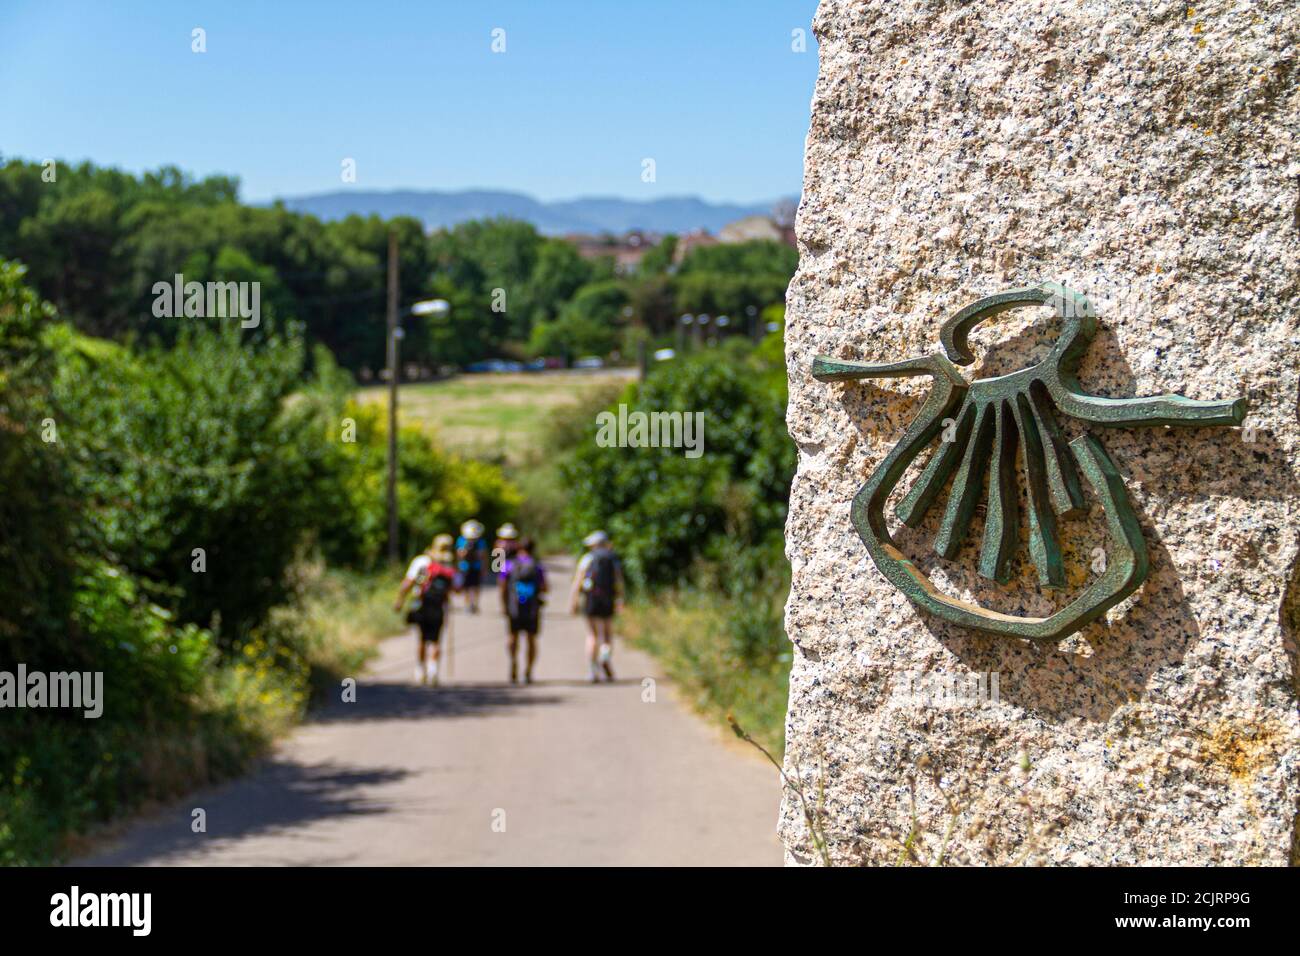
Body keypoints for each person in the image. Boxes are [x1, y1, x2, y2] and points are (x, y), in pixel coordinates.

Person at [394, 534, 458, 686]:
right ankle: (433, 670)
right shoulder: (448, 566)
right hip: (439, 606)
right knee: (435, 639)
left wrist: (400, 600)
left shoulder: (421, 562)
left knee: (422, 638)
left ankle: (420, 669)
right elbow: (456, 588)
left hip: (421, 604)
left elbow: (408, 583)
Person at [569, 530, 623, 683]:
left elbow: (577, 582)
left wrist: (573, 601)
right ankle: (604, 657)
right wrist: (620, 599)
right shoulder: (613, 559)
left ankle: (593, 670)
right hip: (608, 599)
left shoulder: (587, 559)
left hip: (592, 600)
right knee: (607, 635)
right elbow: (619, 582)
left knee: (592, 635)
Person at [501, 536, 547, 684]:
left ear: (519, 548)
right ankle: (528, 670)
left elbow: (502, 585)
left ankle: (513, 661)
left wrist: (504, 605)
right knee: (531, 639)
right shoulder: (538, 566)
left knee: (512, 636)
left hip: (514, 606)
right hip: (532, 608)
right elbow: (544, 587)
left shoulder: (509, 564)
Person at [455, 519, 489, 613]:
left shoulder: (481, 542)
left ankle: (475, 604)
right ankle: (467, 604)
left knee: (476, 586)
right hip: (464, 567)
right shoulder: (461, 540)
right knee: (466, 587)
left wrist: (484, 568)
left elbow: (484, 556)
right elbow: (458, 555)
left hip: (476, 567)